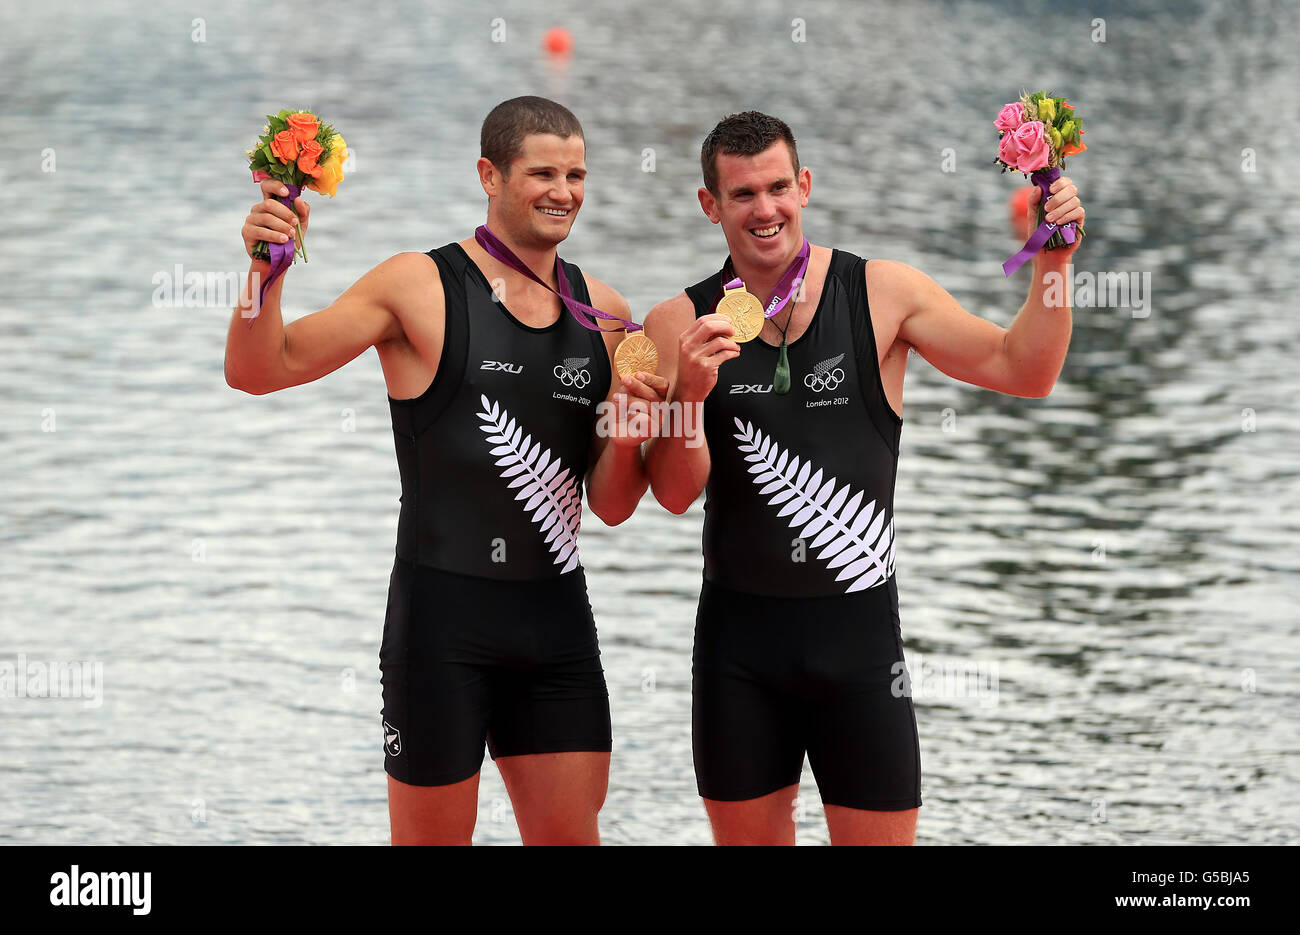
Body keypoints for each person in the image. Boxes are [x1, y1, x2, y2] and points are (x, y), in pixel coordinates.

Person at [225, 96, 666, 845]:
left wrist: (629, 438)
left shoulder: (610, 316)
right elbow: (259, 369)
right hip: (440, 631)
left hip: (557, 630)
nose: (564, 191)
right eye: (543, 173)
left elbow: (615, 506)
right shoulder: (415, 286)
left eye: (577, 173)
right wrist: (263, 276)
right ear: (489, 175)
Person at [640, 111, 1084, 845]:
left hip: (860, 649)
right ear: (709, 205)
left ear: (805, 186)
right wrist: (688, 392)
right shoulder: (676, 323)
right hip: (738, 653)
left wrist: (1055, 263)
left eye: (779, 187)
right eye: (743, 194)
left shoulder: (882, 294)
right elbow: (676, 493)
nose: (766, 209)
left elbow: (1025, 370)